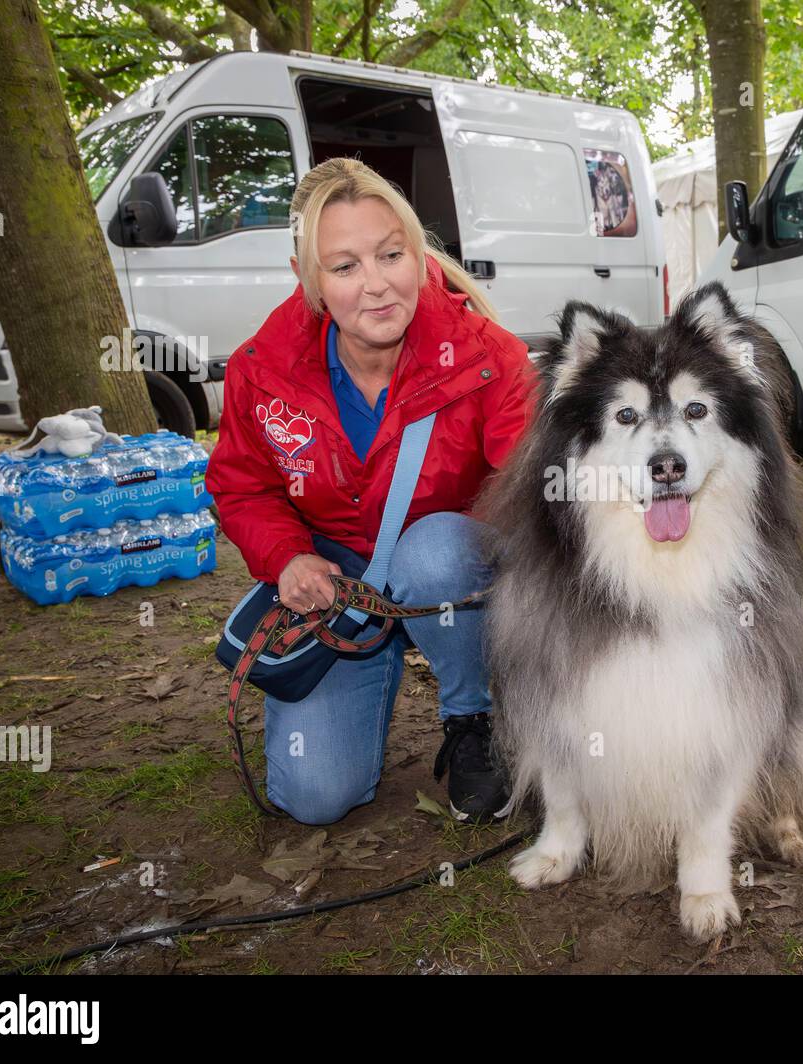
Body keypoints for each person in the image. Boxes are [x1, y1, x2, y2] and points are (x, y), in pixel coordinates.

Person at [207, 157, 537, 825]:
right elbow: (243, 485)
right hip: (341, 594)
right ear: (310, 280)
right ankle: (371, 668)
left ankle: (473, 718)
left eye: (391, 255)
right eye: (346, 265)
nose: (377, 285)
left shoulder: (486, 356)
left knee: (434, 550)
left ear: (419, 258)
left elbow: (535, 487)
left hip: (451, 579)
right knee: (314, 797)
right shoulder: (261, 368)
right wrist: (287, 558)